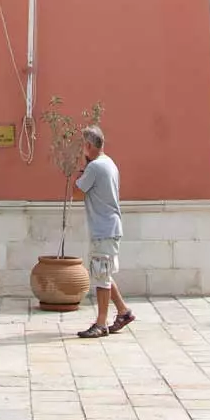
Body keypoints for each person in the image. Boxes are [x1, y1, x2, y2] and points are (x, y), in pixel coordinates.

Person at [74, 125, 133, 338]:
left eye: (84, 145)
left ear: (89, 146)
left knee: (102, 276)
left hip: (103, 228)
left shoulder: (95, 167)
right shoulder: (109, 163)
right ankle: (124, 312)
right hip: (109, 227)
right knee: (103, 273)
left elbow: (77, 192)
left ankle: (101, 323)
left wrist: (82, 169)